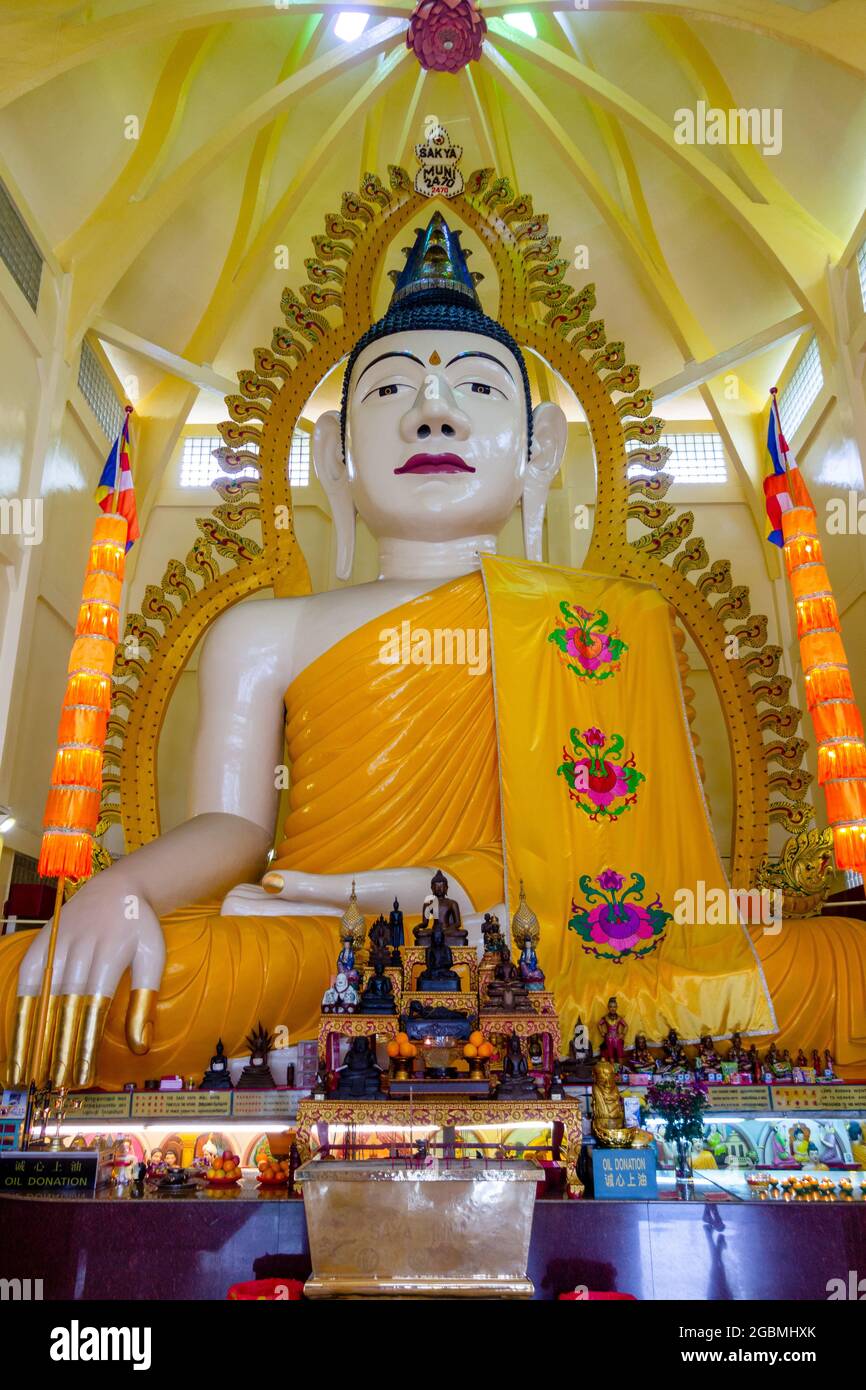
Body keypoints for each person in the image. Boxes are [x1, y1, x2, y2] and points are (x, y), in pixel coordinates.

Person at [4, 212, 861, 1090]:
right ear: (334, 458)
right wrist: (123, 891)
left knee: (838, 971)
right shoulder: (266, 632)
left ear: (540, 449)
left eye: (477, 390)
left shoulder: (608, 621)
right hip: (319, 946)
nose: (434, 417)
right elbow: (234, 829)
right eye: (389, 392)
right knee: (142, 979)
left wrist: (418, 891)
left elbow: (628, 876)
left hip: (530, 944)